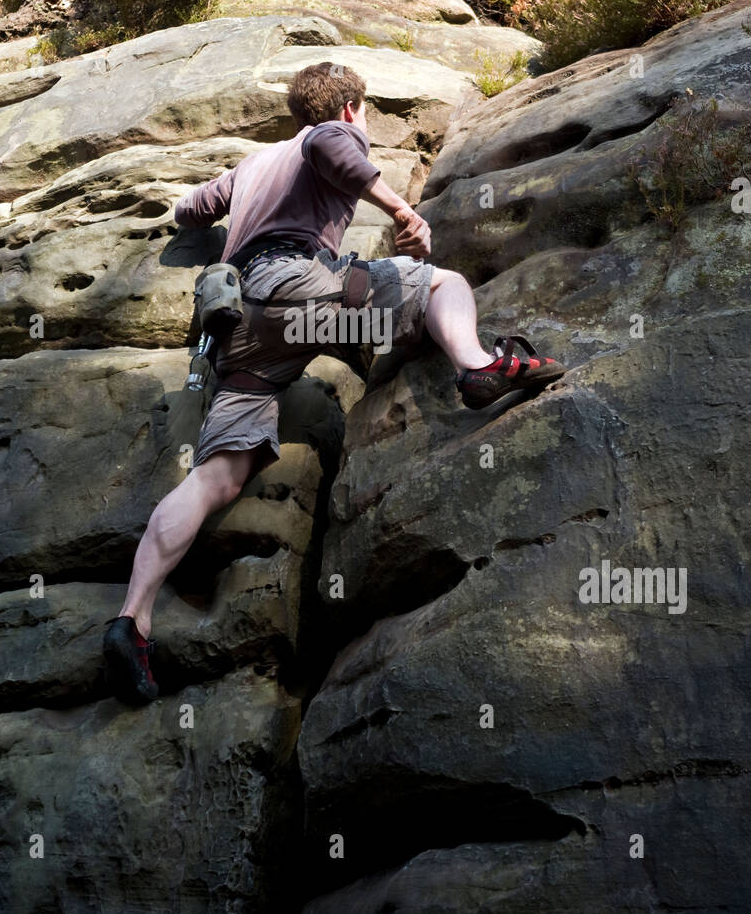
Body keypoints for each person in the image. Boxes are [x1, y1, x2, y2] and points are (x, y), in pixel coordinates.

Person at [103, 63, 565, 703]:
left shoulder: (252, 165)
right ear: (351, 108)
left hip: (241, 329)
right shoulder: (327, 134)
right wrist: (403, 210)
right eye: (364, 114)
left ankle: (132, 620)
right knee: (441, 283)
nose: (362, 124)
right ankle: (478, 366)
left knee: (217, 479)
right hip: (297, 288)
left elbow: (189, 208)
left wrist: (214, 227)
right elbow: (329, 147)